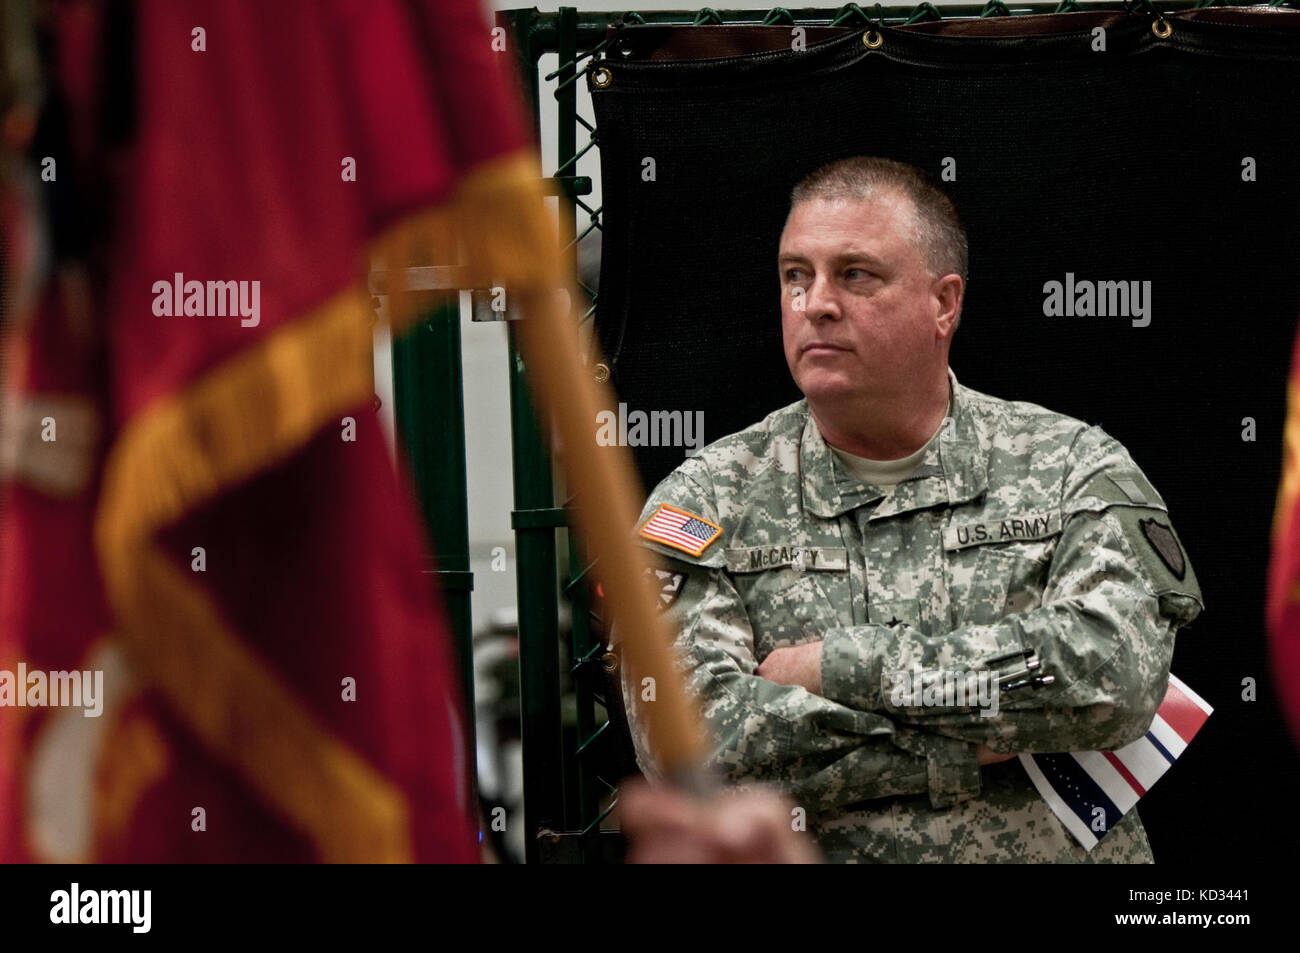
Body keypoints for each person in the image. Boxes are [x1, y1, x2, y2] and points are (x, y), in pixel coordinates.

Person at [621, 156, 1203, 863]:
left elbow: (1115, 678)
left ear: (944, 303)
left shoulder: (1072, 465)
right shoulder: (708, 498)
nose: (816, 302)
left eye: (856, 274)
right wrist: (983, 743)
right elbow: (694, 744)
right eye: (795, 275)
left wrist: (841, 667)